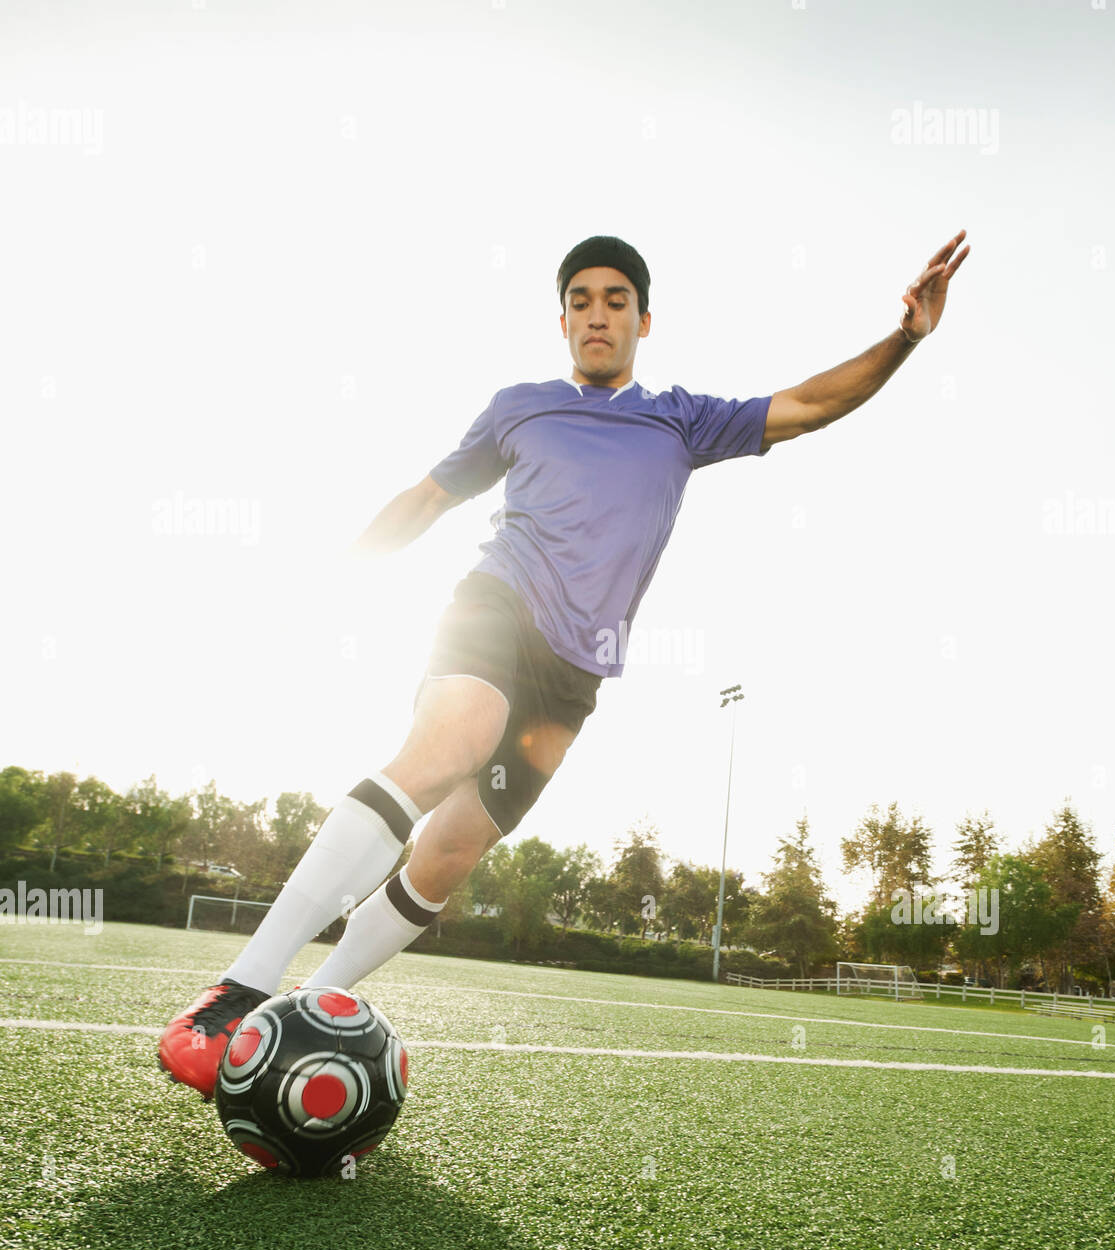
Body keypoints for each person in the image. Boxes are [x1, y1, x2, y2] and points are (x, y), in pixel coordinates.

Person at [158, 229, 970, 1097]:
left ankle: (299, 1016)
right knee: (455, 737)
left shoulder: (682, 419)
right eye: (580, 301)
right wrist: (343, 569)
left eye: (615, 300)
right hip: (496, 603)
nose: (597, 315)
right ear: (562, 321)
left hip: (576, 673)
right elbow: (432, 495)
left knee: (451, 853)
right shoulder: (520, 406)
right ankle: (236, 992)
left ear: (644, 321)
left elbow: (810, 404)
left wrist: (905, 338)